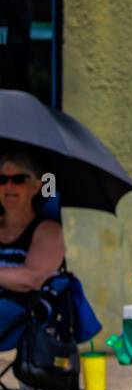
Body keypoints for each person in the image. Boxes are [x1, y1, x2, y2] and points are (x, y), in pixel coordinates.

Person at [0, 150, 66, 350]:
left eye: (19, 179)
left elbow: (32, 278)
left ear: (36, 187)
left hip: (26, 314)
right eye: (2, 179)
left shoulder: (48, 230)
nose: (9, 186)